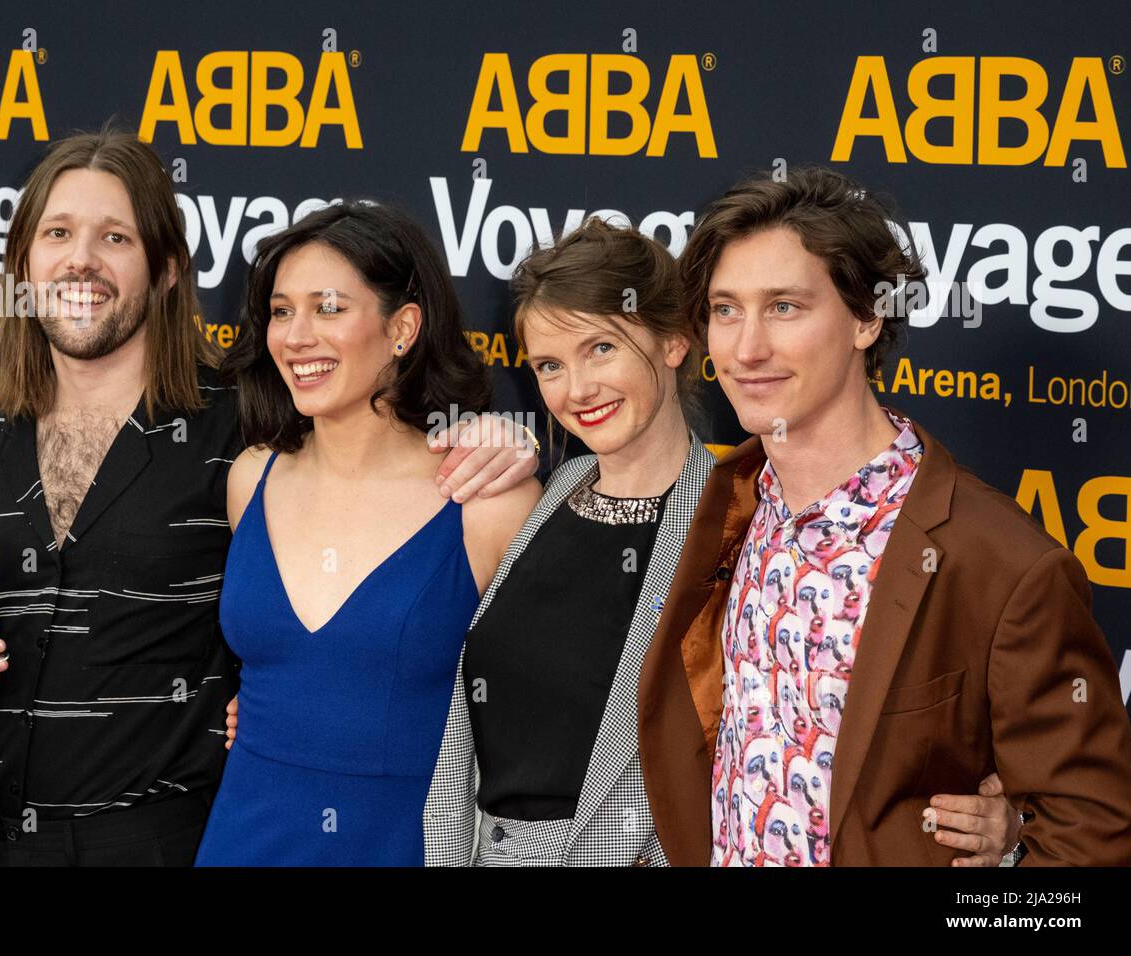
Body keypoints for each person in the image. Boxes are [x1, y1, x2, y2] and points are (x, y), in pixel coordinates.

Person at [0, 128, 536, 866]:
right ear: (21, 261)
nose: (80, 259)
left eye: (114, 236)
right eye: (57, 233)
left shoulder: (241, 432)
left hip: (177, 839)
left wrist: (503, 435)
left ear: (168, 269)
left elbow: (370, 450)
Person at [417, 218, 1016, 866]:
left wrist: (1004, 827)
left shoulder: (748, 517)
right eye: (549, 365)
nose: (576, 389)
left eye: (601, 349)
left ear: (674, 342)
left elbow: (845, 718)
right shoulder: (547, 493)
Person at [639, 165, 1131, 866]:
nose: (746, 349)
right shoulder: (729, 501)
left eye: (784, 307)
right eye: (725, 309)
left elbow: (1093, 837)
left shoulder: (1000, 564)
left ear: (867, 318)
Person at [193, 201, 541, 866]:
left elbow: (543, 718)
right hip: (245, 837)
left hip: (405, 844)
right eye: (281, 310)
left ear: (403, 327)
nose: (296, 336)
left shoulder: (488, 503)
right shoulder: (250, 478)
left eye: (328, 308)